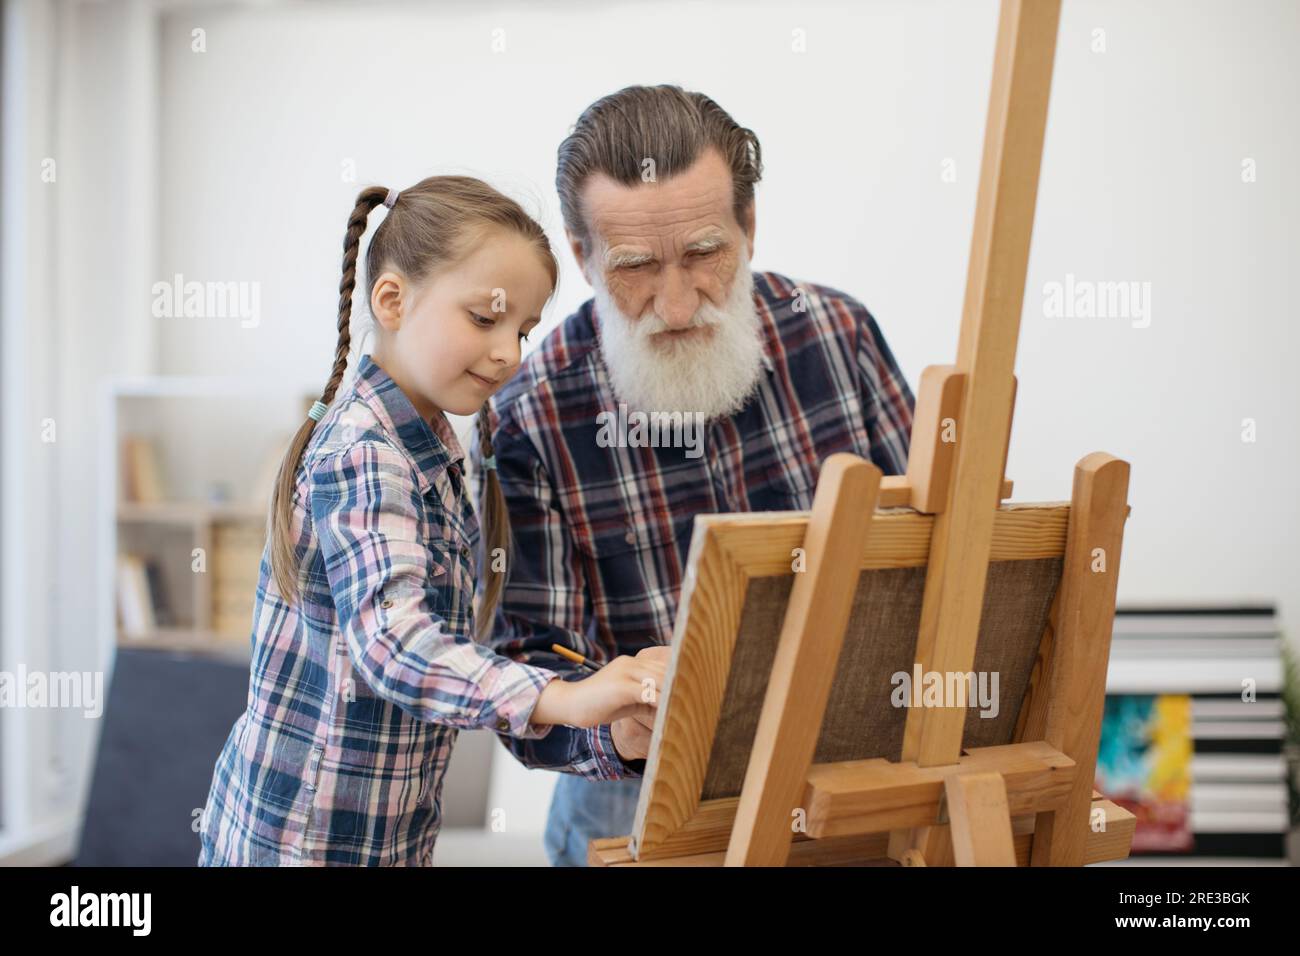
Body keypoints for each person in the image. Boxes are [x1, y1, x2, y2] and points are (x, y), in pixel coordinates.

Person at [473, 86, 916, 866]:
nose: (676, 306)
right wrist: (615, 727)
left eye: (706, 253)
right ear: (583, 258)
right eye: (636, 266)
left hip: (851, 775)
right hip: (635, 801)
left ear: (749, 226)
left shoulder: (840, 337)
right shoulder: (528, 417)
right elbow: (524, 670)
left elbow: (935, 552)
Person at [199, 175, 668, 866]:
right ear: (392, 300)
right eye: (486, 319)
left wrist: (609, 727)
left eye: (523, 330)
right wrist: (570, 698)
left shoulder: (440, 452)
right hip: (299, 846)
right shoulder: (364, 451)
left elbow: (464, 662)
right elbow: (396, 647)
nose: (510, 352)